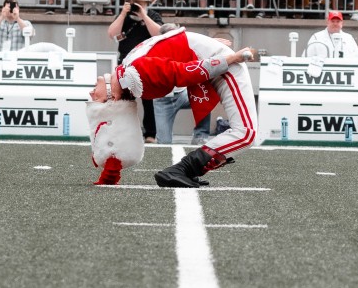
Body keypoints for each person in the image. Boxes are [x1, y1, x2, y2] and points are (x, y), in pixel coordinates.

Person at [99, 28, 263, 188]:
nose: (93, 93)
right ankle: (184, 169)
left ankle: (189, 168)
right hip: (213, 60)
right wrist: (219, 51)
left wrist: (223, 54)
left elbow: (176, 57)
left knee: (246, 133)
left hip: (215, 60)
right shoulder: (129, 67)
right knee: (246, 132)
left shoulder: (133, 72)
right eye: (96, 96)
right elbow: (176, 56)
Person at [109, 0, 165, 138]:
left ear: (146, 4)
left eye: (141, 3)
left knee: (149, 100)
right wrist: (122, 14)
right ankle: (127, 133)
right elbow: (111, 34)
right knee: (126, 100)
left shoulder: (152, 16)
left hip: (147, 64)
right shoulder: (124, 16)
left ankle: (150, 134)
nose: (137, 6)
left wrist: (144, 15)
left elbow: (160, 33)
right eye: (135, 3)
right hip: (126, 65)